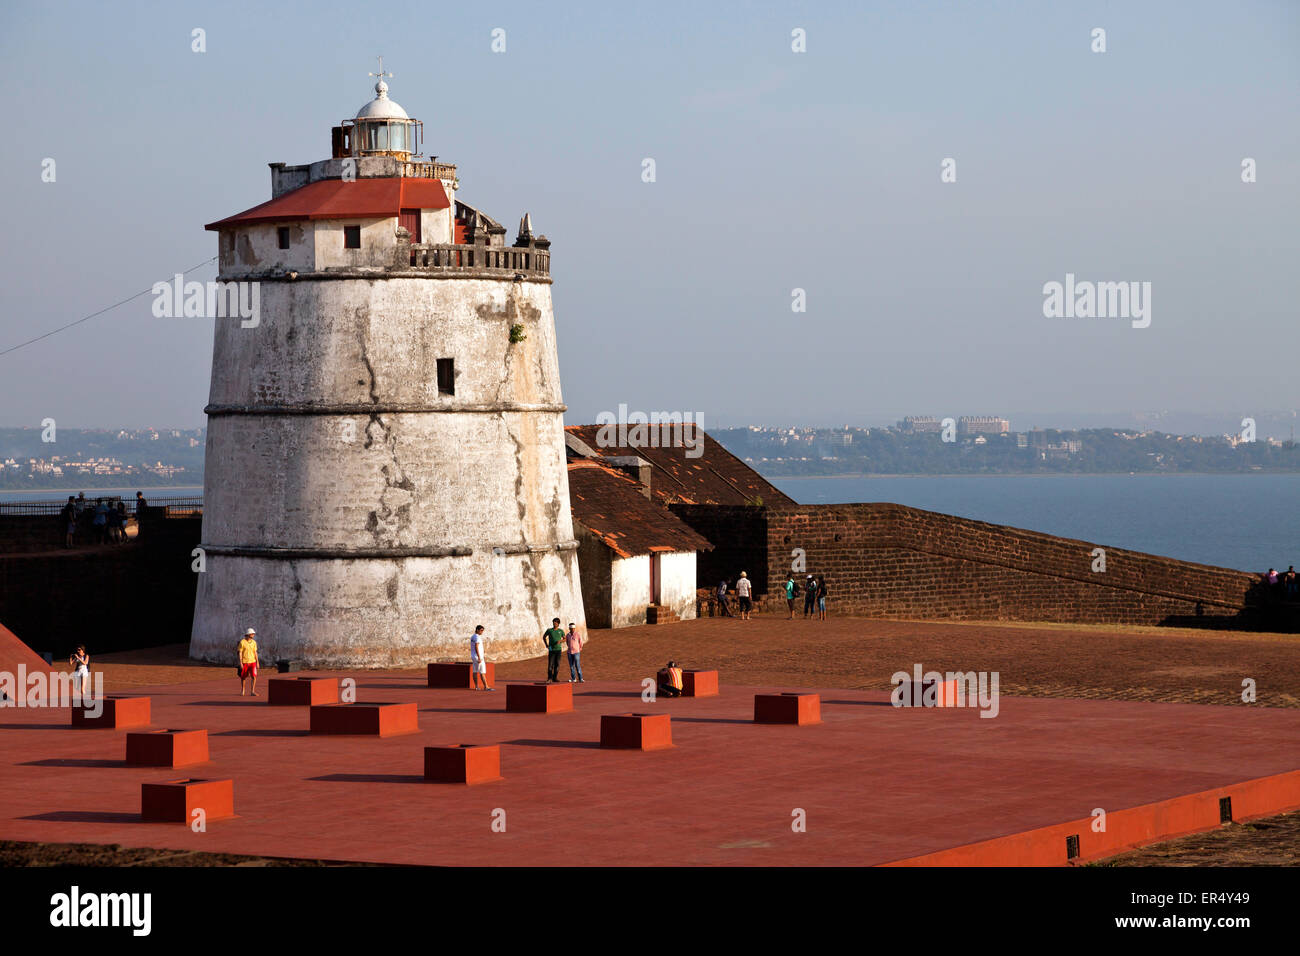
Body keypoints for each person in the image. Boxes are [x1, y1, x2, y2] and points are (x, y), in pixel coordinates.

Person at [542, 618, 566, 682]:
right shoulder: (549, 630)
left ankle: (555, 678)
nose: (554, 623)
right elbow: (544, 637)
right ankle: (549, 678)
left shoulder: (561, 631)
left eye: (556, 622)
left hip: (558, 650)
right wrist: (546, 645)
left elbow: (565, 639)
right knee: (550, 665)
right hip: (551, 650)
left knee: (557, 665)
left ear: (558, 623)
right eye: (553, 622)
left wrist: (560, 641)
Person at [237, 628, 259, 696]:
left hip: (253, 662)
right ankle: (243, 690)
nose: (253, 635)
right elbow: (240, 652)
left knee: (254, 676)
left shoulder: (254, 642)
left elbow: (255, 652)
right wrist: (240, 662)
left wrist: (257, 662)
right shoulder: (242, 642)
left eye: (253, 634)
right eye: (252, 634)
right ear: (248, 634)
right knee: (243, 677)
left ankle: (252, 691)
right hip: (245, 662)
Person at [470, 625, 493, 690]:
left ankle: (477, 687)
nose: (482, 632)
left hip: (474, 656)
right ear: (477, 630)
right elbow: (476, 647)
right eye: (481, 630)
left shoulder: (472, 637)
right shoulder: (477, 637)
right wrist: (479, 657)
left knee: (475, 671)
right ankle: (486, 686)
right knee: (482, 672)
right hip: (478, 657)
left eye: (482, 630)